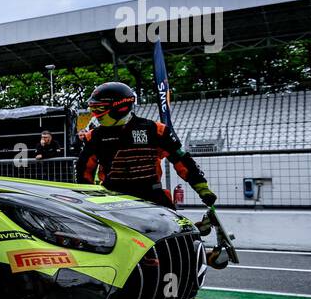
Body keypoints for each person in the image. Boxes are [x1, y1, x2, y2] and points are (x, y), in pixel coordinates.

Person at [76, 81, 215, 209]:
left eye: (99, 109)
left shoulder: (156, 130)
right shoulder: (93, 136)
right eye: (93, 109)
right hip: (113, 198)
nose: (95, 115)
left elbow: (182, 159)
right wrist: (88, 201)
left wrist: (202, 188)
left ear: (121, 107)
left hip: (151, 196)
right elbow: (84, 172)